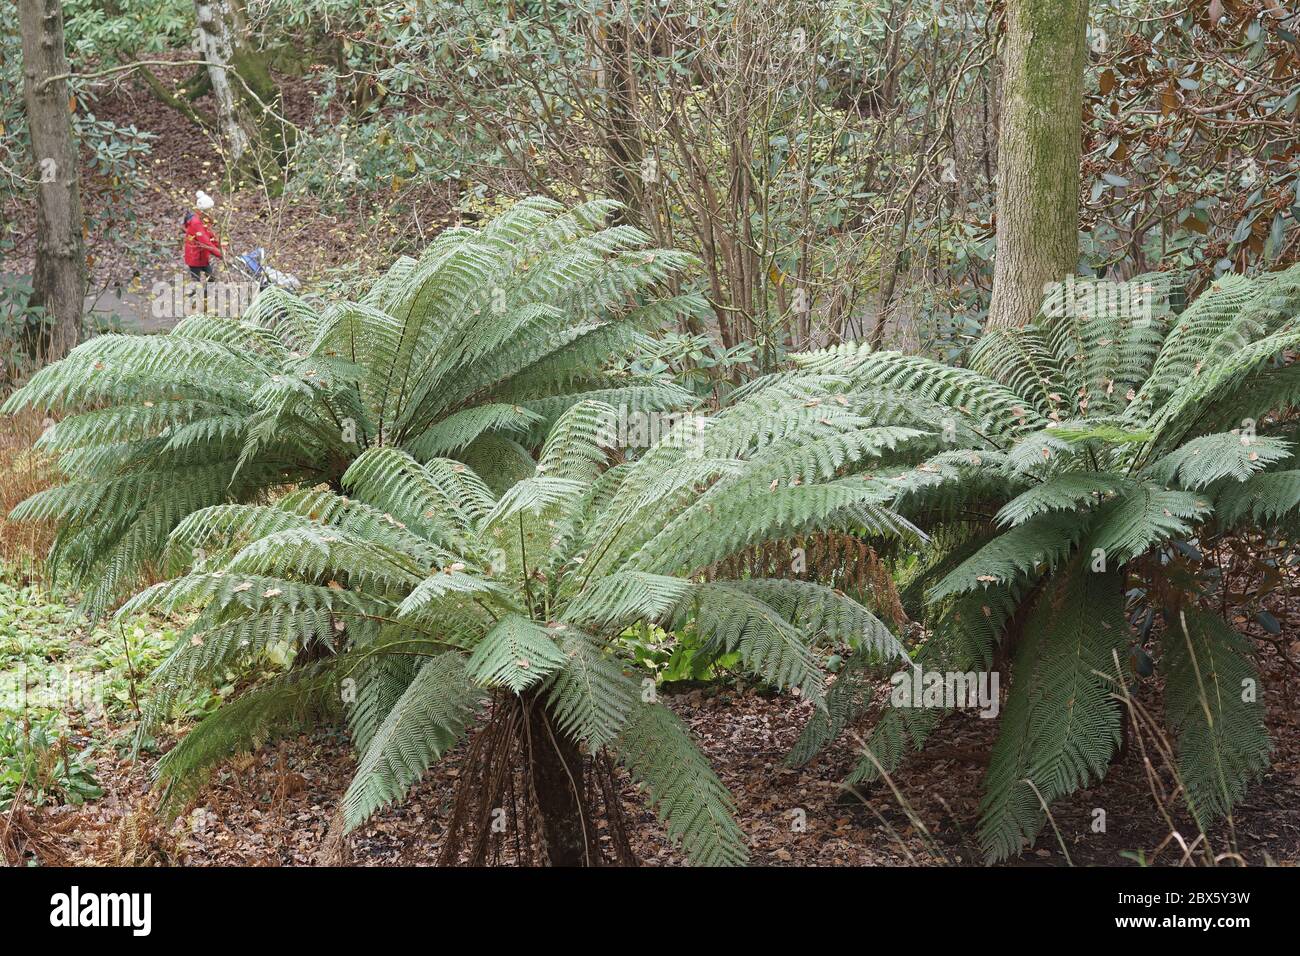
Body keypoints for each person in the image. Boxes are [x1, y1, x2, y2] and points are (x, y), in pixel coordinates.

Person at [183, 191, 223, 282]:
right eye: (209, 209)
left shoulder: (204, 220)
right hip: (194, 256)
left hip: (202, 256)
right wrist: (220, 254)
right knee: (196, 281)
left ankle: (206, 294)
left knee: (211, 278)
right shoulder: (196, 222)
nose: (211, 211)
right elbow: (205, 242)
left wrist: (222, 247)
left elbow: (211, 237)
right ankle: (196, 294)